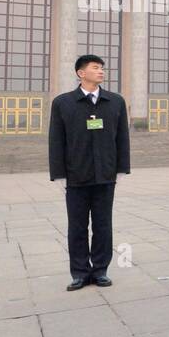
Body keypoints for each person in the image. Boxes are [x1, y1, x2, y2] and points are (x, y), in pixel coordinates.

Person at [48, 54, 130, 291]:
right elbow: (56, 140)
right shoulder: (63, 103)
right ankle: (80, 273)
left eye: (102, 68)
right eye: (96, 68)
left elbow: (122, 137)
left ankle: (101, 270)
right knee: (77, 227)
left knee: (103, 225)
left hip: (105, 176)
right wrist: (59, 174)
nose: (101, 71)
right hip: (76, 177)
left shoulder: (115, 102)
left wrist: (122, 168)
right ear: (81, 73)